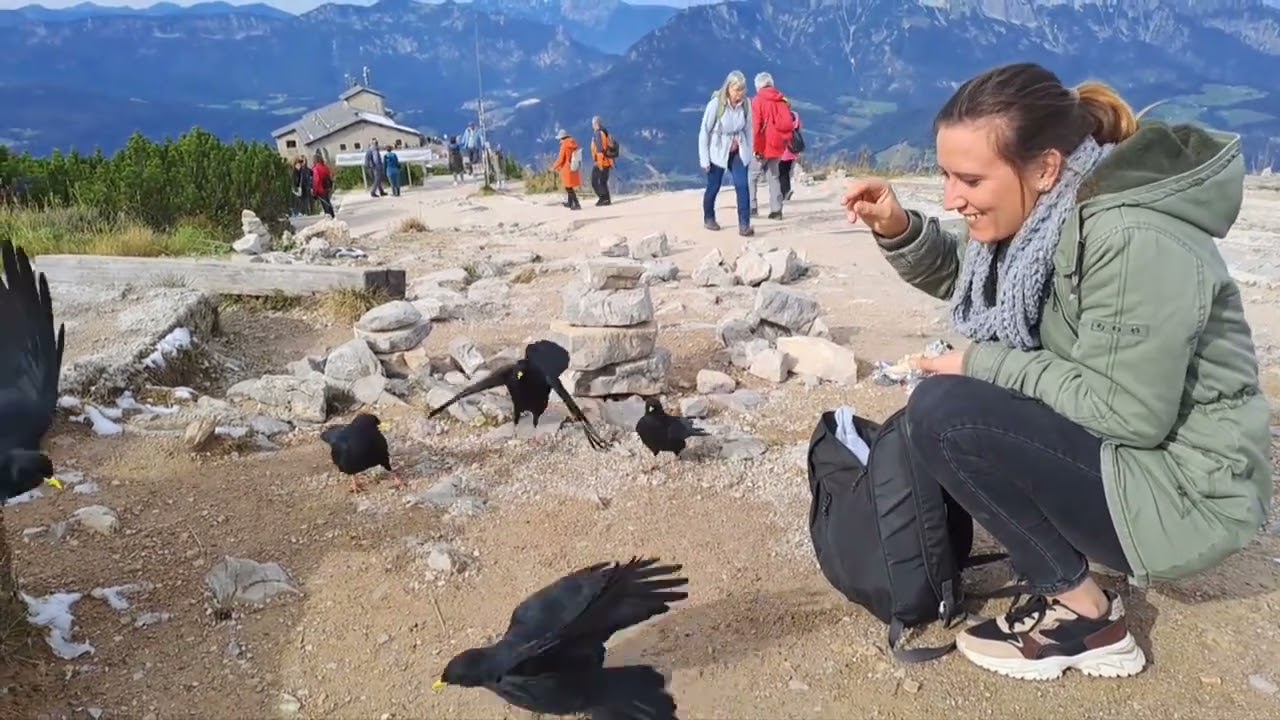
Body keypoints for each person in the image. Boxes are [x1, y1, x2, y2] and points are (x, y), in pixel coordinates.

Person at [842, 61, 1271, 681]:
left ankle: (1086, 619)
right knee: (955, 403)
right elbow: (975, 275)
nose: (952, 198)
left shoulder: (1129, 236)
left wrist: (981, 362)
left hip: (1189, 496)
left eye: (969, 179)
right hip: (1140, 458)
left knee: (945, 412)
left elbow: (1129, 413)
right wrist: (900, 229)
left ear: (1045, 168)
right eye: (945, 175)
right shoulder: (1048, 217)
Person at [698, 70, 754, 236]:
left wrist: (749, 151)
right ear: (728, 88)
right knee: (714, 186)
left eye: (742, 89)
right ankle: (709, 217)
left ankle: (744, 224)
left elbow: (748, 129)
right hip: (718, 151)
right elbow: (704, 132)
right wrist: (705, 159)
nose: (740, 93)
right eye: (736, 90)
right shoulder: (716, 105)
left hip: (738, 150)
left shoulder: (746, 104)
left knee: (742, 185)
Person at [747, 71, 791, 219]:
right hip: (778, 144)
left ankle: (752, 207)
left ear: (758, 86)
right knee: (774, 176)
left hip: (763, 145)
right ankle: (776, 210)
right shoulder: (781, 99)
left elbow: (756, 126)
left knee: (752, 176)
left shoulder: (757, 100)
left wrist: (756, 147)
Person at [551, 128, 582, 211]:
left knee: (568, 187)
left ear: (561, 138)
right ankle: (570, 203)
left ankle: (576, 204)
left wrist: (554, 166)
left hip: (566, 168)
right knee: (569, 186)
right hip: (574, 166)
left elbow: (561, 159)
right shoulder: (573, 142)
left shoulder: (564, 145)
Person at [589, 115, 614, 206]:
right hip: (607, 160)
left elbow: (600, 149)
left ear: (596, 124)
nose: (592, 125)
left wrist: (598, 163)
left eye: (593, 123)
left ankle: (603, 198)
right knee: (603, 181)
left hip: (601, 161)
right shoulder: (605, 132)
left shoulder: (598, 133)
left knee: (594, 181)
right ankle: (606, 199)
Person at [779, 98, 801, 200]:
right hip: (792, 148)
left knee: (780, 172)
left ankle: (784, 192)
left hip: (782, 148)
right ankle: (786, 190)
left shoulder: (779, 116)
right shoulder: (795, 115)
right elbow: (799, 127)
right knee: (787, 171)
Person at [310, 153, 334, 218]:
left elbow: (316, 181)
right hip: (327, 187)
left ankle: (329, 216)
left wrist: (314, 192)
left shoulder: (315, 169)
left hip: (320, 188)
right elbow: (330, 175)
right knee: (327, 201)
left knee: (324, 203)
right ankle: (332, 215)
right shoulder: (325, 167)